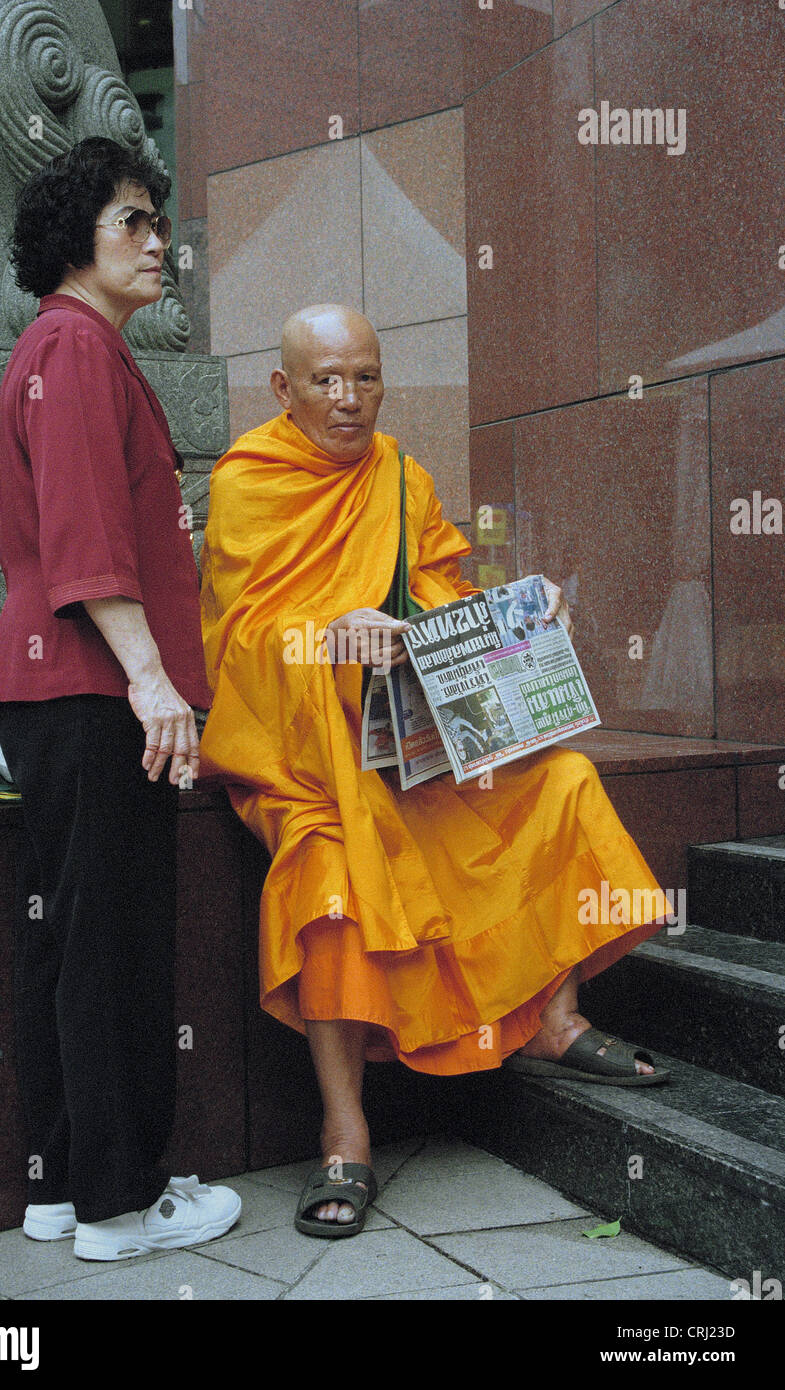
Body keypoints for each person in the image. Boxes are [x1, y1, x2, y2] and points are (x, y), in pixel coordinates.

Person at [199, 303, 670, 1239]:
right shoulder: (249, 481)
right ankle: (346, 1132)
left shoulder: (401, 478)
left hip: (409, 749)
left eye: (365, 377)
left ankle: (553, 1022)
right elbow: (240, 638)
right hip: (304, 762)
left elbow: (442, 596)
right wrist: (327, 636)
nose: (348, 399)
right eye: (325, 381)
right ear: (281, 389)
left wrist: (516, 623)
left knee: (566, 782)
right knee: (325, 879)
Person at [0, 137, 240, 1260]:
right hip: (94, 690)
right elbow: (89, 540)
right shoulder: (75, 346)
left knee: (66, 943)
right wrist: (151, 681)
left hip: (59, 692)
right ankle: (122, 1204)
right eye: (132, 221)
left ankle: (60, 1188)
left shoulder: (63, 349)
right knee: (113, 947)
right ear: (77, 237)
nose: (156, 242)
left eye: (157, 221)